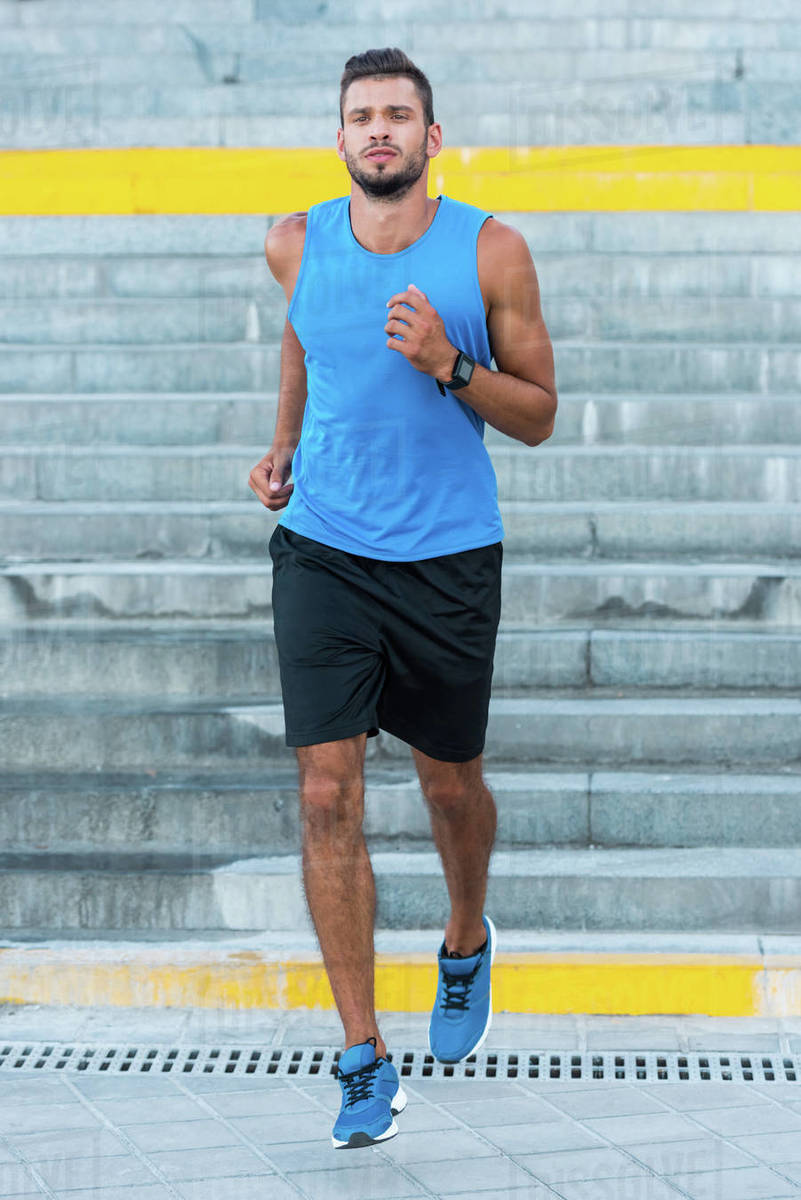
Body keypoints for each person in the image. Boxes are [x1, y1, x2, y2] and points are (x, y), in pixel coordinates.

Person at [249, 46, 556, 1150]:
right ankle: (362, 1059)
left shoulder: (491, 251)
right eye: (360, 115)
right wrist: (284, 446)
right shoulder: (294, 241)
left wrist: (449, 364)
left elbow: (539, 414)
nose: (377, 129)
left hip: (447, 558)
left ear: (432, 138)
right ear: (339, 137)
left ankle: (465, 936)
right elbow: (306, 339)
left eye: (397, 115)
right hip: (323, 549)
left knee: (448, 785)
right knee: (326, 793)